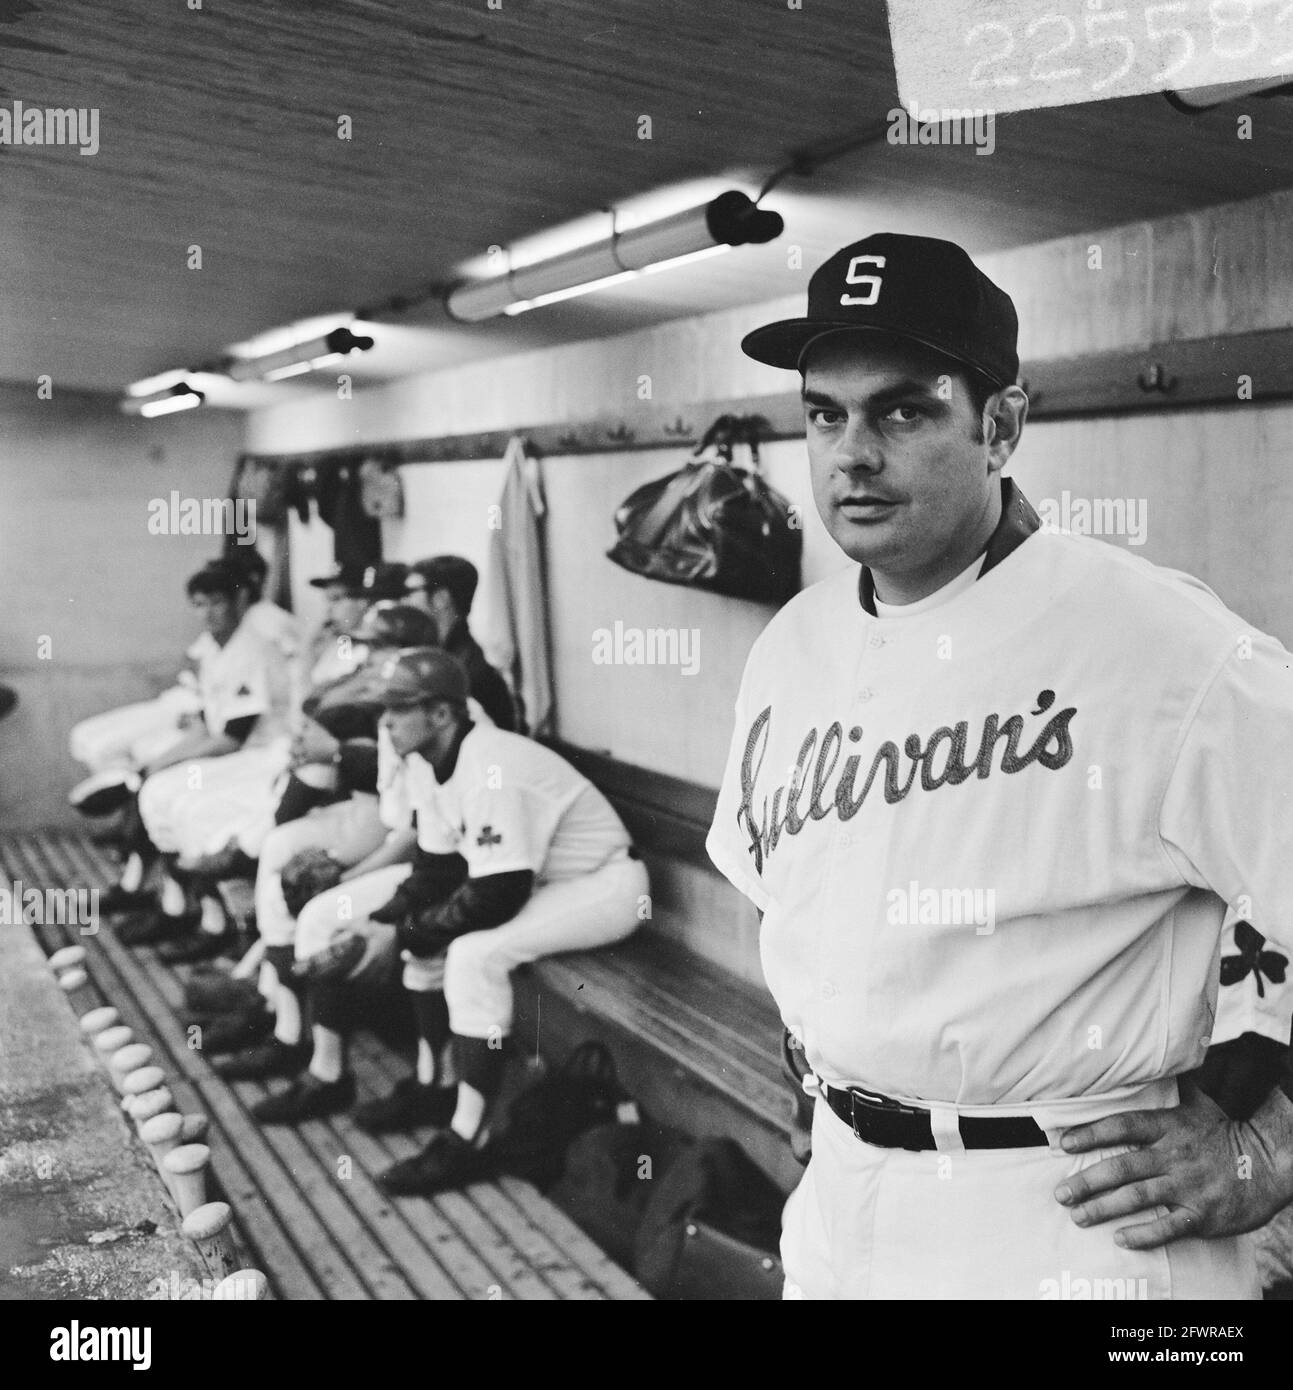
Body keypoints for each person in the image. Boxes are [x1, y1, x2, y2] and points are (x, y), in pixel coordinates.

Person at [706, 232, 1293, 1300]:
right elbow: (776, 893)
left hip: (1070, 1210)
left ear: (1002, 426)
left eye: (902, 409)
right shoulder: (790, 644)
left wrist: (1274, 1148)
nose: (852, 453)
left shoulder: (1167, 646)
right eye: (824, 413)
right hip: (840, 1191)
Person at [252, 647, 648, 1198]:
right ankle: (431, 1085)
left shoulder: (492, 768)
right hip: (540, 881)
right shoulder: (425, 762)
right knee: (416, 936)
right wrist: (377, 923)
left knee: (473, 954)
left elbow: (496, 897)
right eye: (382, 709)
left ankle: (470, 1137)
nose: (385, 722)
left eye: (399, 708)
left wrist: (398, 934)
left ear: (441, 714)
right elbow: (435, 872)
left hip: (603, 887)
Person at [119, 558, 294, 945]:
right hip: (236, 752)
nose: (208, 613)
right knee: (157, 785)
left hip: (265, 754)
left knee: (187, 805)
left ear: (237, 601)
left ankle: (216, 921)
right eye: (199, 604)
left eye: (216, 602)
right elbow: (205, 724)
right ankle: (175, 904)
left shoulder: (253, 651)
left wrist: (166, 766)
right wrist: (160, 762)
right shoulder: (215, 650)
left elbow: (232, 737)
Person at [402, 555, 517, 732]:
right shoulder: (447, 655)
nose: (404, 601)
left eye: (410, 593)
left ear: (441, 598)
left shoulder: (465, 670)